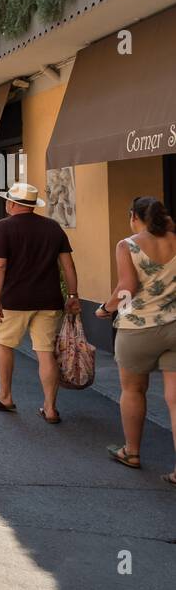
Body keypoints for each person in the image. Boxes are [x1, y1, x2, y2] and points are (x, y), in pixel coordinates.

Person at [0, 182, 80, 423]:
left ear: (12, 203)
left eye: (7, 200)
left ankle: (5, 396)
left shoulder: (2, 227)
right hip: (49, 300)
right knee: (46, 353)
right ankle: (50, 407)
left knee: (4, 345)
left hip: (14, 300)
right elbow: (68, 265)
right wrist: (73, 295)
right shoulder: (53, 228)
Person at [95, 196, 176, 478]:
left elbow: (127, 287)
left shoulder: (128, 244)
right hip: (175, 326)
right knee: (175, 398)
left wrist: (106, 308)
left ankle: (132, 451)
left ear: (134, 216)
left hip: (137, 329)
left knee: (132, 390)